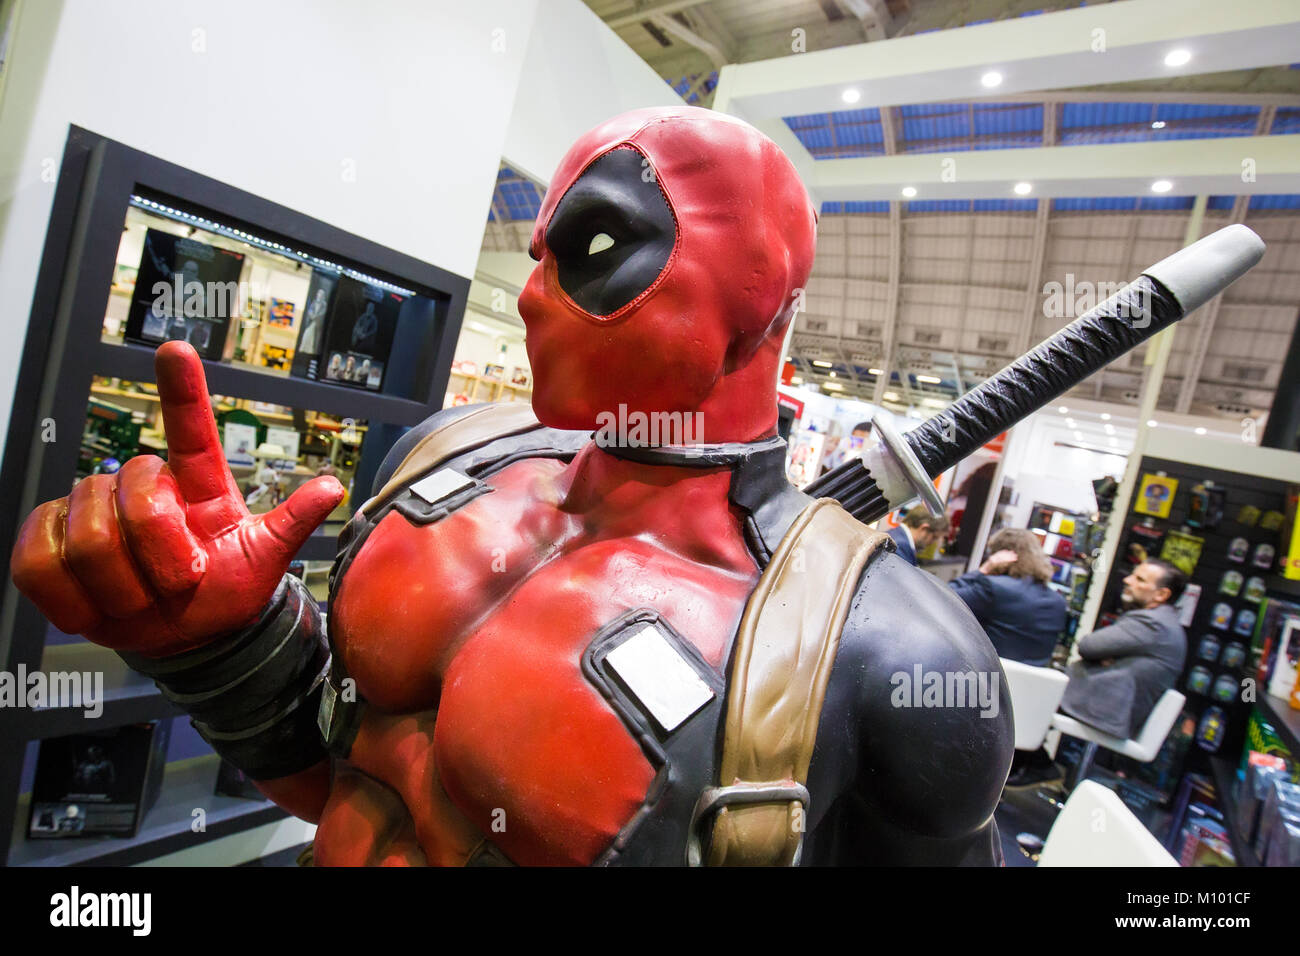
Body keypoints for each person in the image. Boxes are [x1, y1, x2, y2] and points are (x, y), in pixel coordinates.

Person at [11, 106, 1012, 866]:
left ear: (756, 291)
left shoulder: (888, 660)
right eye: (538, 252)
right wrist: (220, 644)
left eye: (596, 249)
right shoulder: (445, 457)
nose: (534, 291)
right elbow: (340, 761)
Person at [1006, 558, 1187, 788]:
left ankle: (1022, 767)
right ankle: (1028, 763)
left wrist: (1103, 656)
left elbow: (1090, 646)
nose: (1127, 580)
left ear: (1161, 595)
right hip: (1108, 705)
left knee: (1018, 695)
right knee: (1028, 692)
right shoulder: (1164, 623)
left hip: (1106, 708)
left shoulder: (1153, 623)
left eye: (1139, 579)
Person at [948, 528, 1067, 666]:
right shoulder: (1058, 602)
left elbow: (944, 597)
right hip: (1032, 683)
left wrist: (984, 569)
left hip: (986, 676)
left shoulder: (995, 588)